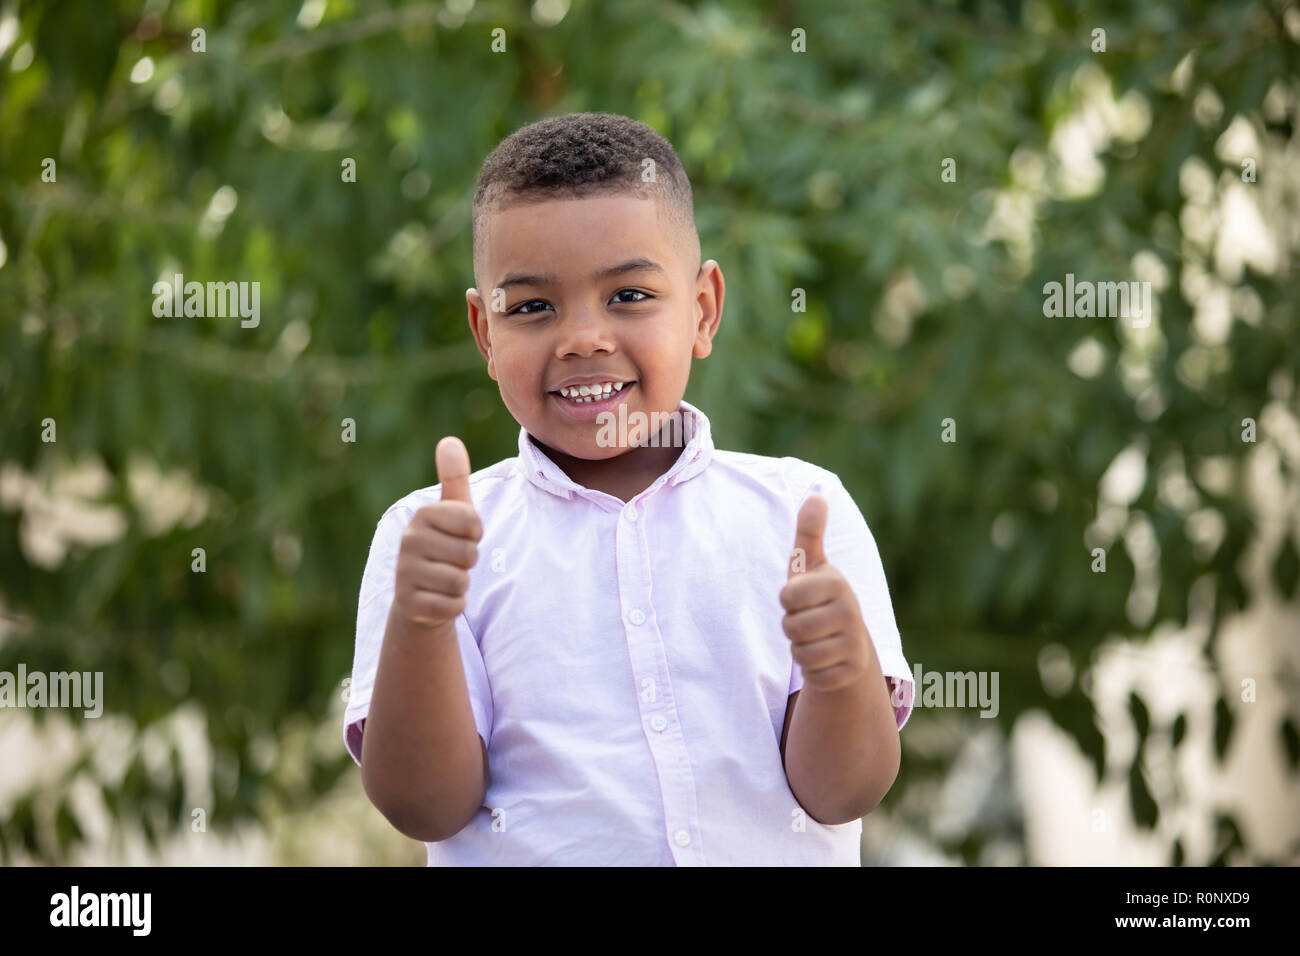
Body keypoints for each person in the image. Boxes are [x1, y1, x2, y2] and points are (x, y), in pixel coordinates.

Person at [343, 112, 914, 865]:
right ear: (486, 333)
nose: (583, 337)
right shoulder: (433, 538)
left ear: (702, 311)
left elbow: (843, 792)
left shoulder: (804, 515)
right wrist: (420, 623)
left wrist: (840, 670)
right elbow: (426, 804)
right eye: (533, 307)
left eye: (629, 296)